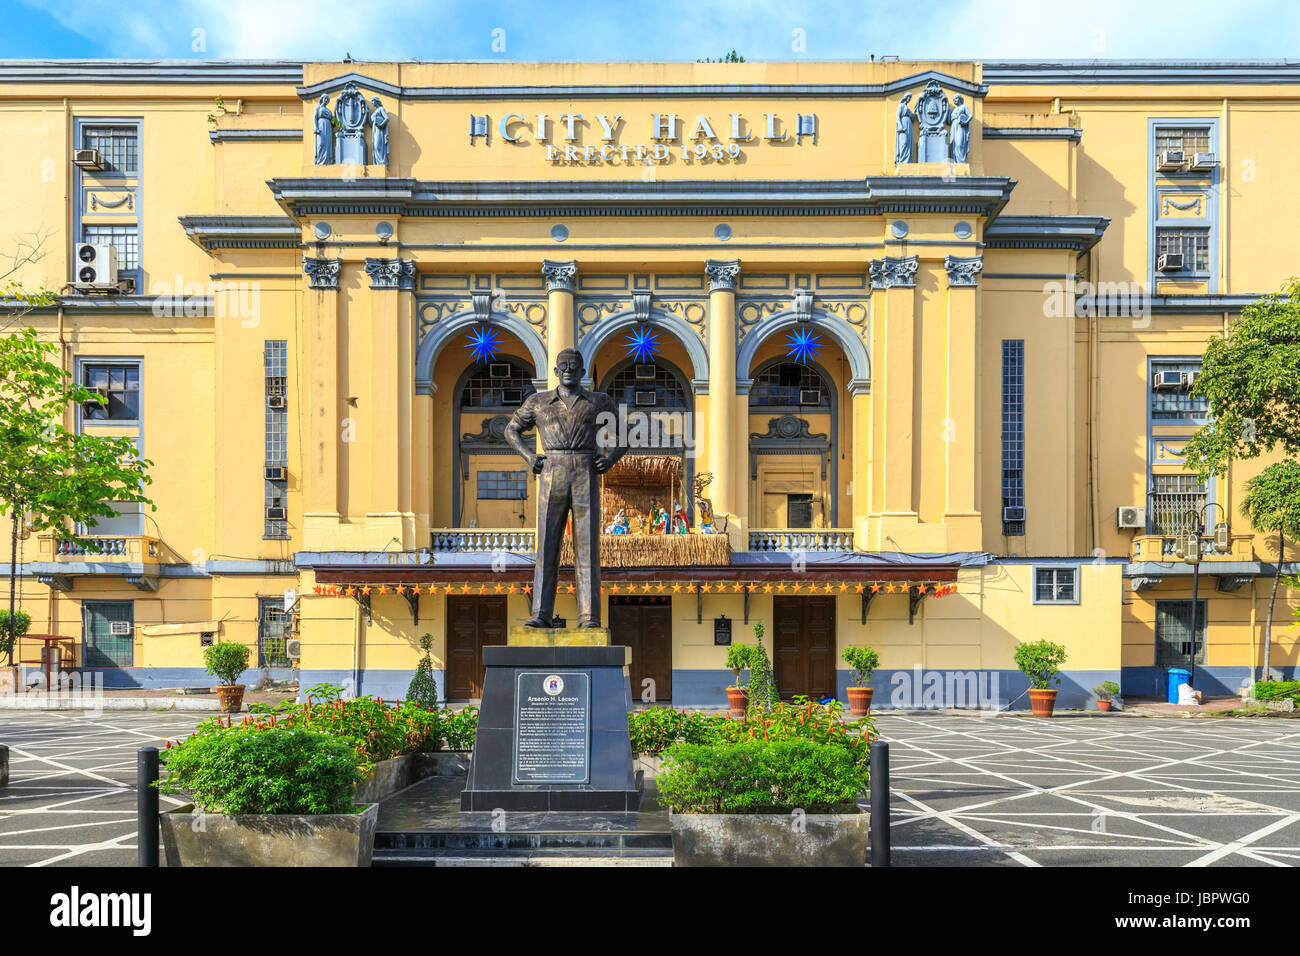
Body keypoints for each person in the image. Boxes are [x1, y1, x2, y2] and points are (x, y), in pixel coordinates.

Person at [505, 348, 626, 628]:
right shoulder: (538, 401)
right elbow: (510, 430)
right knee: (547, 546)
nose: (569, 369)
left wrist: (608, 460)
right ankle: (540, 614)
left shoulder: (599, 401)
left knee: (587, 547)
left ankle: (589, 617)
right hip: (552, 469)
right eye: (563, 365)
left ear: (583, 372)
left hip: (585, 469)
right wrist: (529, 456)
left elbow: (626, 434)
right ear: (556, 371)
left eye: (574, 365)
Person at [313, 93, 334, 165]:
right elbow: (315, 118)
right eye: (325, 98)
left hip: (328, 127)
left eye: (327, 99)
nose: (326, 100)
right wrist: (316, 127)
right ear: (322, 99)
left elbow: (333, 121)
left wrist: (342, 125)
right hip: (321, 126)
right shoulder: (318, 108)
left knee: (328, 144)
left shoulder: (329, 111)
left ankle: (327, 161)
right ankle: (319, 161)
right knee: (321, 144)